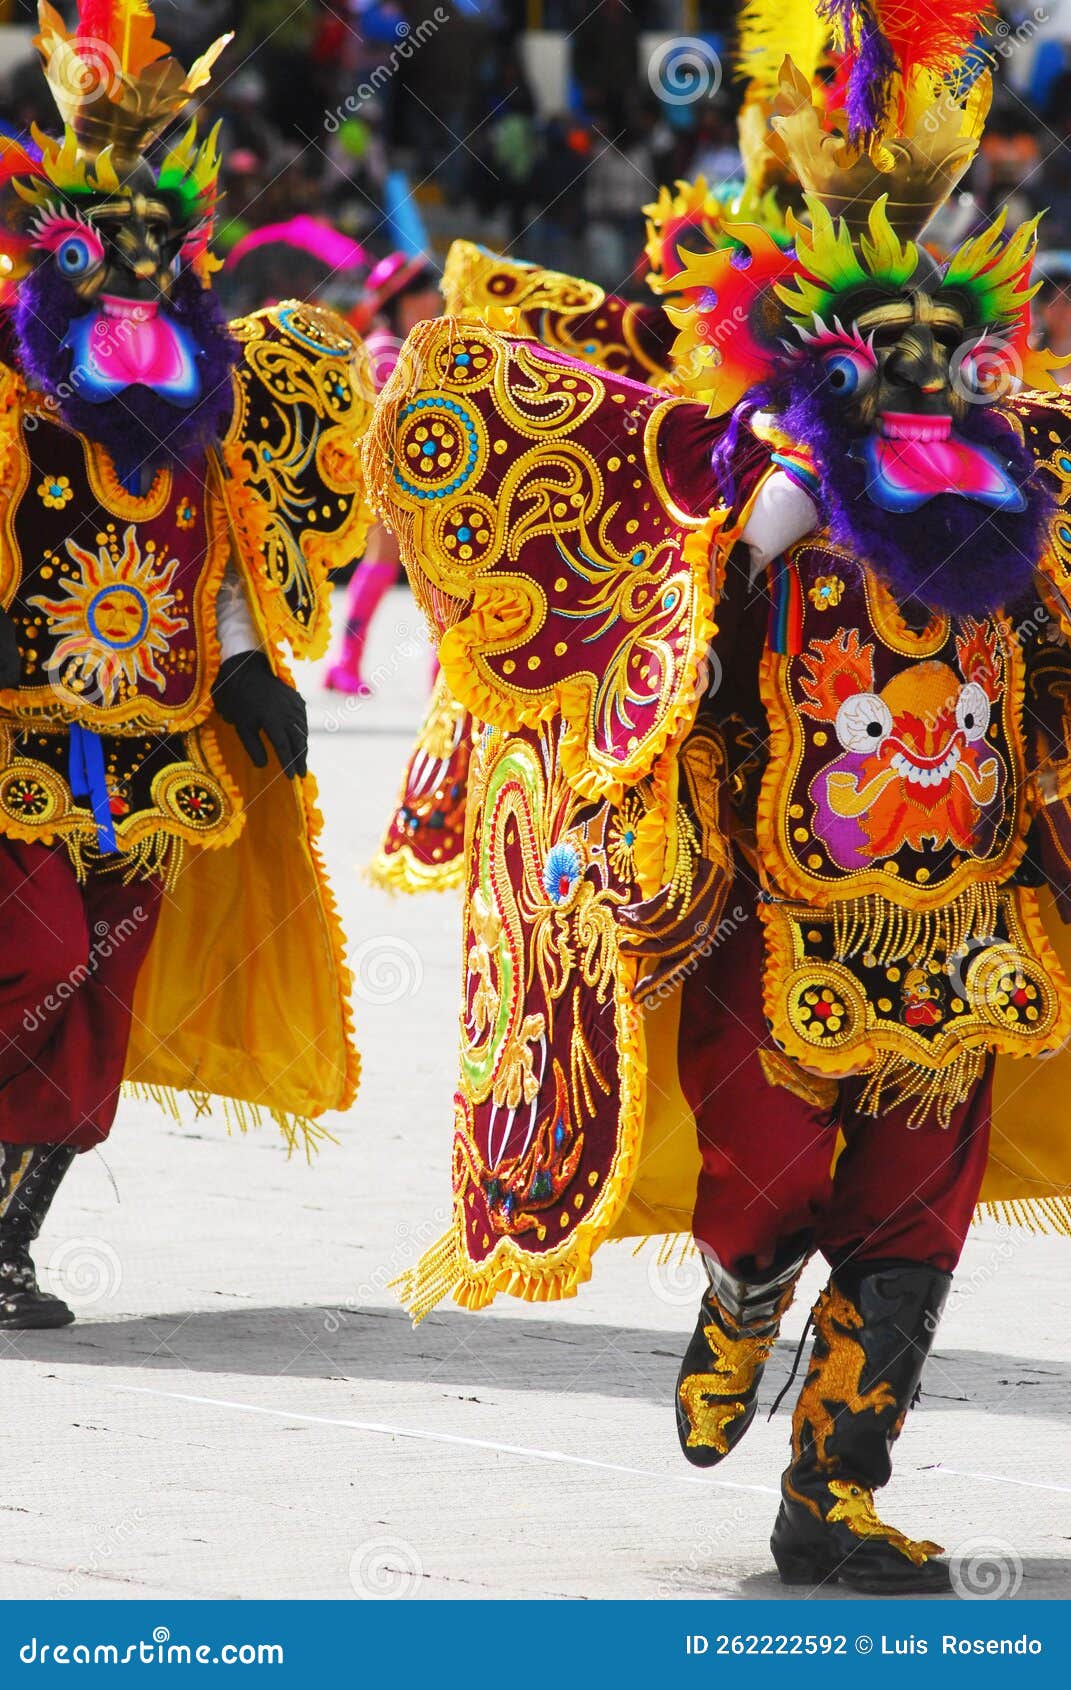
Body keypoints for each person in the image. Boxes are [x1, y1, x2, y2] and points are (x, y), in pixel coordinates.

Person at [366, 3, 1071, 1593]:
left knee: (915, 1214)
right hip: (770, 912)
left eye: (936, 339)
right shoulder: (742, 479)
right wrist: (762, 525)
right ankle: (742, 1295)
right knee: (760, 1181)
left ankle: (832, 1490)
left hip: (957, 921)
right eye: (873, 342)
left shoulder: (1011, 489)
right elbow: (635, 632)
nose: (915, 370)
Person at [0, 1, 369, 1328]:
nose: (145, 274)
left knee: (96, 995)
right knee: (27, 955)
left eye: (167, 251)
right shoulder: (14, 394)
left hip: (154, 748)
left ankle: (6, 1246)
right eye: (116, 250)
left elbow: (213, 560)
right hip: (15, 742)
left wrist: (242, 670)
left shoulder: (197, 412)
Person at [325, 251, 439, 697]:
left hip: (415, 483)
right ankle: (347, 663)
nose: (434, 299)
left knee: (399, 570)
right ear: (404, 301)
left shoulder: (409, 347)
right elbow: (387, 426)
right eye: (425, 291)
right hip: (394, 481)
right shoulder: (386, 352)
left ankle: (350, 665)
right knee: (393, 568)